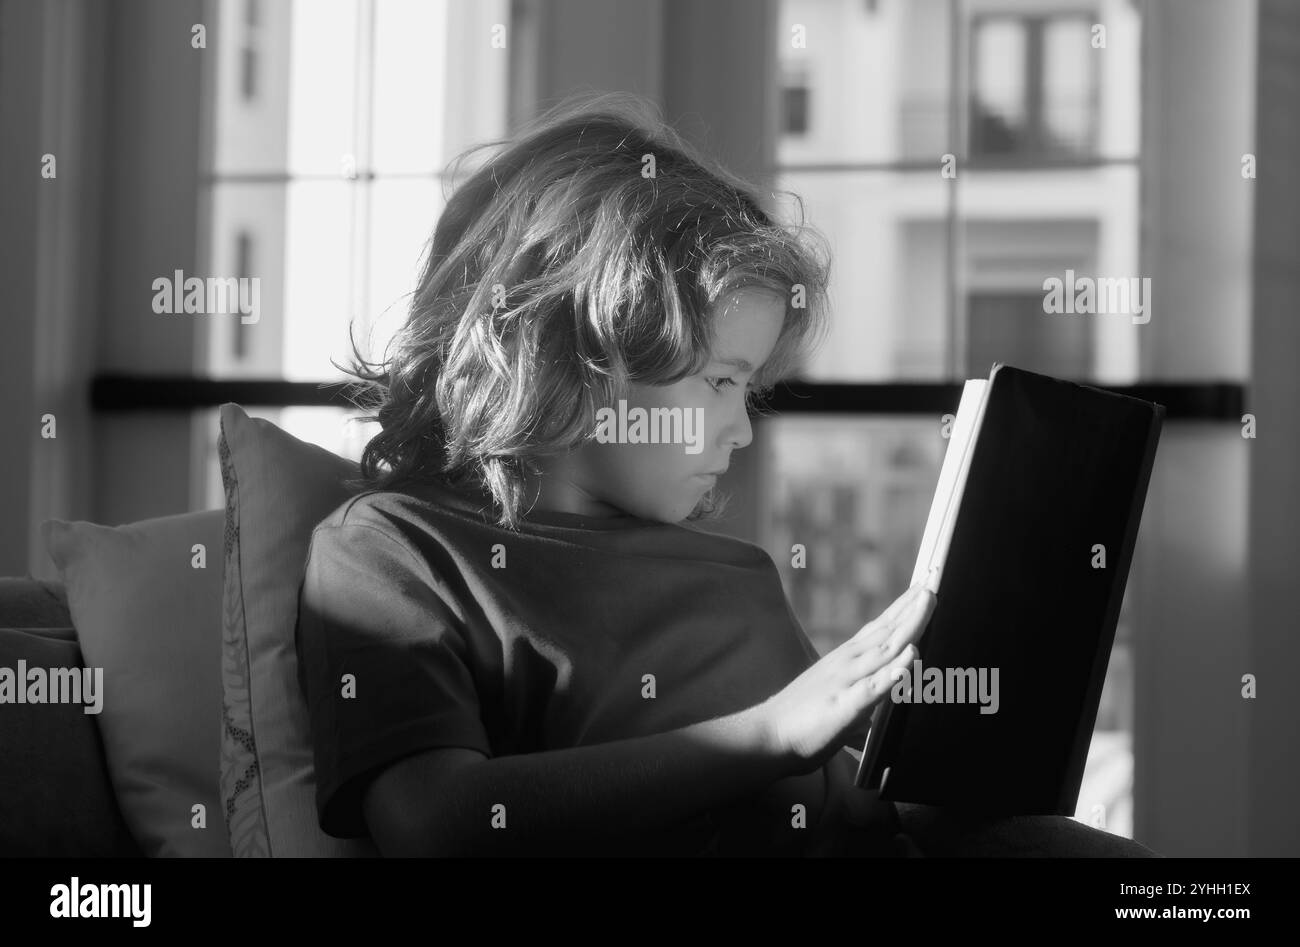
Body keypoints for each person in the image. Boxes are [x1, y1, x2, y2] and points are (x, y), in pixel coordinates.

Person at [294, 92, 1158, 858]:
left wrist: (919, 731)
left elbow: (850, 815)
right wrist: (772, 733)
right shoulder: (391, 552)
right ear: (570, 358)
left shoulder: (731, 575)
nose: (742, 427)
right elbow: (435, 823)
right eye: (720, 380)